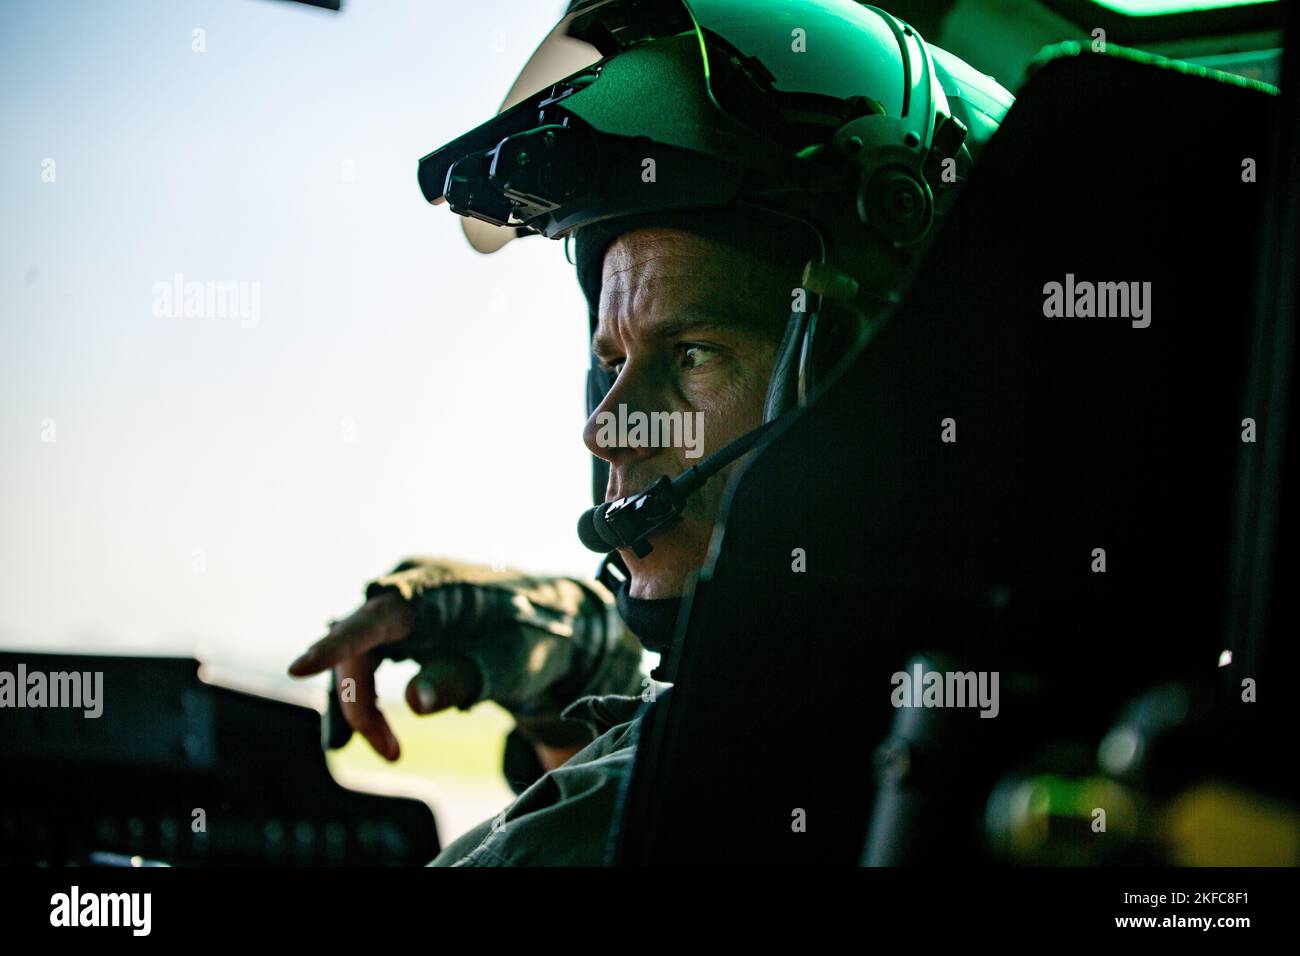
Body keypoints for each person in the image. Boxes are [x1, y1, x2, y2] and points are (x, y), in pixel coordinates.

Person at [288, 0, 1013, 866]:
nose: (606, 428)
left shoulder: (726, 783)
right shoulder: (933, 713)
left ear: (882, 384)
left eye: (694, 353)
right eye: (613, 361)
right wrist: (554, 645)